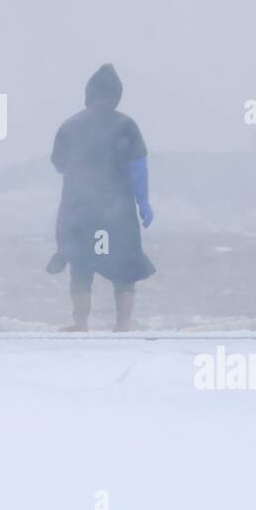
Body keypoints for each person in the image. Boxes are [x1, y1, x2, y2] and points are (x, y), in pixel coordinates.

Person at [47, 64, 155, 331]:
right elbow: (138, 168)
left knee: (81, 265)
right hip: (117, 211)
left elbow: (59, 164)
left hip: (79, 209)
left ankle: (80, 323)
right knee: (125, 268)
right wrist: (144, 203)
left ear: (88, 93)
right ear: (117, 95)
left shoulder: (71, 126)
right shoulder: (126, 125)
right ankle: (124, 324)